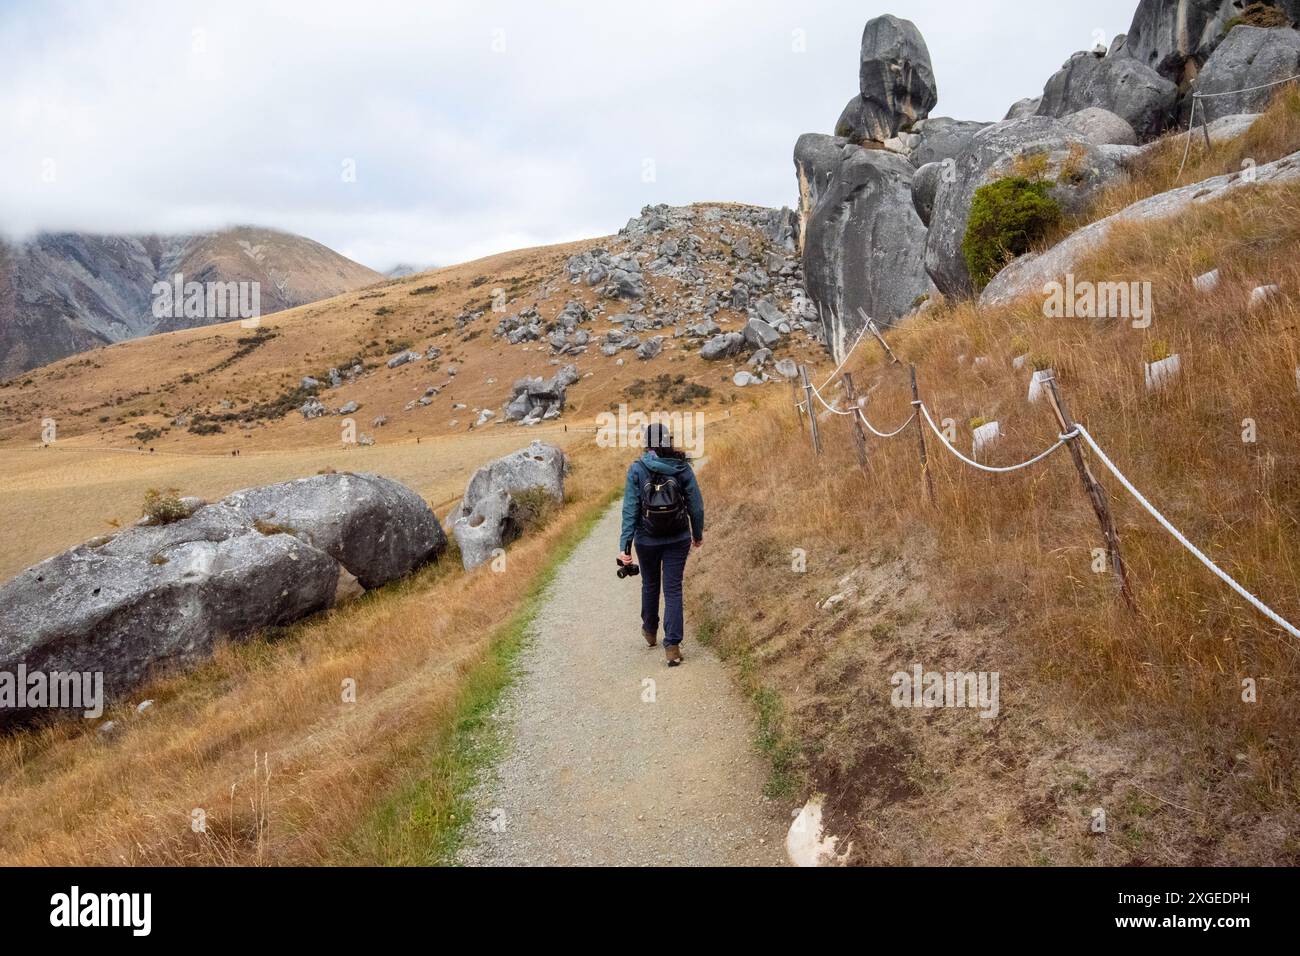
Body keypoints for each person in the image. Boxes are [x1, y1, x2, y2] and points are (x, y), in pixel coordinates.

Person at [618, 423, 704, 666]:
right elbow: (696, 505)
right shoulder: (681, 467)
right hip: (678, 537)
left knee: (650, 583)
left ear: (647, 444)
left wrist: (625, 547)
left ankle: (649, 630)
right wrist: (697, 533)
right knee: (673, 588)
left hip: (646, 539)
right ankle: (673, 647)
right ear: (669, 441)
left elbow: (630, 510)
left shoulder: (637, 469)